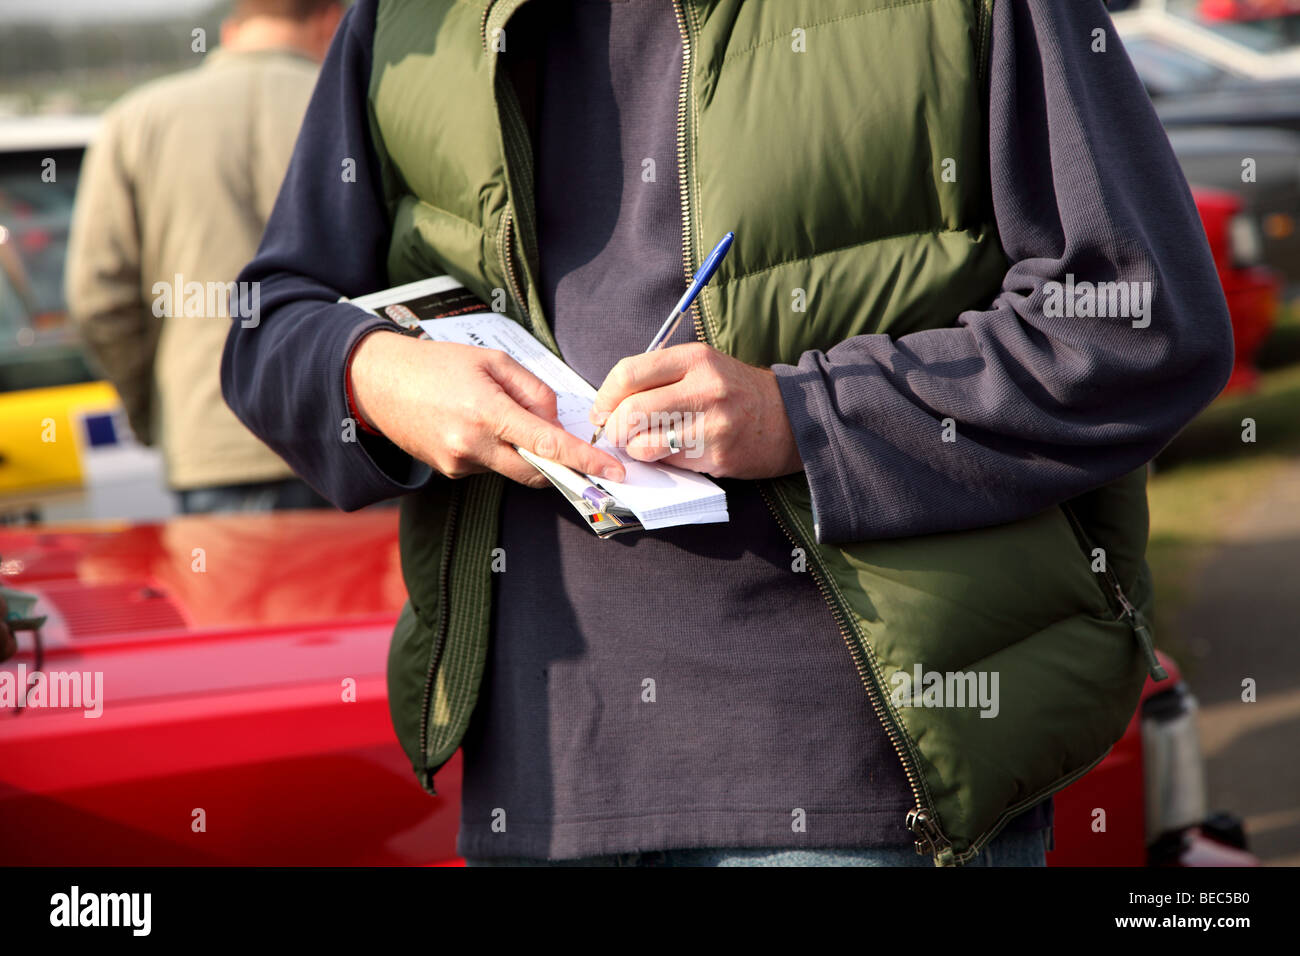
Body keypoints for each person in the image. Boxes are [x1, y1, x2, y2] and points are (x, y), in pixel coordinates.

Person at [222, 0, 1233, 866]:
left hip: (859, 789)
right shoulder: (407, 19)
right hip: (535, 787)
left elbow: (1140, 324)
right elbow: (270, 324)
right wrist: (370, 373)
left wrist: (804, 415)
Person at [66, 0, 345, 514]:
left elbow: (98, 299)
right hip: (355, 441)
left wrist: (154, 410)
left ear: (232, 28)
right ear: (331, 20)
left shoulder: (136, 119)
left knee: (227, 595)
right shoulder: (355, 108)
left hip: (212, 444)